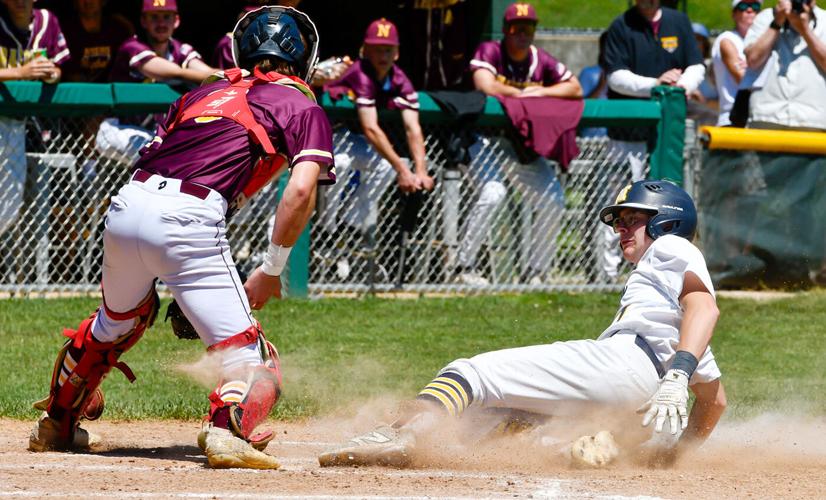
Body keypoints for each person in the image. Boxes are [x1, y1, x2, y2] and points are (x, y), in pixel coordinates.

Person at [27, 6, 336, 471]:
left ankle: (58, 420)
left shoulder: (201, 93)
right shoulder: (302, 105)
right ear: (304, 58)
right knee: (251, 356)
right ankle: (226, 431)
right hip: (191, 217)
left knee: (115, 324)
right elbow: (300, 191)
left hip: (128, 205)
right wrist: (272, 269)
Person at [318, 180, 727, 469]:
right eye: (618, 221)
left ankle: (398, 433)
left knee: (470, 373)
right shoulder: (682, 331)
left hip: (624, 365)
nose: (620, 228)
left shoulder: (671, 246)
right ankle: (567, 445)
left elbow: (705, 308)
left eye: (632, 219)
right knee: (497, 416)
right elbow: (715, 401)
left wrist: (677, 375)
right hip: (639, 400)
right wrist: (675, 454)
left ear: (667, 222)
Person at [456, 2, 582, 286]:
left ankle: (536, 272)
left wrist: (538, 92)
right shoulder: (491, 51)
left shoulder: (539, 58)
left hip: (519, 143)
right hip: (482, 139)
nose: (522, 34)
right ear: (505, 30)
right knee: (493, 192)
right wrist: (525, 92)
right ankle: (463, 266)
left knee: (553, 200)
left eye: (528, 28)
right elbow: (486, 85)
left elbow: (575, 87)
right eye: (516, 28)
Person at [599, 0, 704, 282]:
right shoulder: (621, 25)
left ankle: (660, 270)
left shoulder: (677, 21)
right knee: (620, 205)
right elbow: (616, 77)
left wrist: (680, 86)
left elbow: (696, 65)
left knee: (664, 207)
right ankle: (608, 275)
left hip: (666, 137)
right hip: (627, 136)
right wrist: (656, 84)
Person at [320, 18, 433, 244]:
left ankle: (348, 226)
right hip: (326, 136)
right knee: (340, 163)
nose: (383, 55)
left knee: (388, 166)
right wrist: (403, 170)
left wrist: (420, 171)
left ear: (397, 53)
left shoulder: (399, 78)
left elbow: (413, 128)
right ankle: (326, 228)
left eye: (388, 50)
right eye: (377, 49)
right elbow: (371, 128)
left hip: (354, 138)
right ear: (365, 50)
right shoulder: (360, 71)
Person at [0, 0, 70, 236]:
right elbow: (22, 72)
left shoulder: (47, 20)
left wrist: (51, 74)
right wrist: (20, 72)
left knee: (9, 205)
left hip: (21, 123)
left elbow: (59, 69)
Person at [743, 0, 826, 130]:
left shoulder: (824, 20)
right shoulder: (766, 17)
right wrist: (777, 22)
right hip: (767, 115)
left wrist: (805, 30)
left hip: (812, 119)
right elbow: (753, 60)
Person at [109, 0, 216, 89]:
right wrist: (218, 78)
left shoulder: (181, 49)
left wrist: (221, 75)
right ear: (143, 21)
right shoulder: (132, 46)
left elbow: (206, 70)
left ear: (176, 21)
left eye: (166, 17)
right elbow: (177, 73)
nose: (161, 24)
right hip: (127, 108)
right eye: (154, 17)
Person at [711, 1, 761, 126]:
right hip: (732, 119)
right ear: (733, 14)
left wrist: (750, 67)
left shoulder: (763, 42)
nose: (750, 10)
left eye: (755, 7)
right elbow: (743, 80)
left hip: (758, 117)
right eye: (743, 6)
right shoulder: (727, 40)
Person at [61, 0, 134, 82]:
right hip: (77, 87)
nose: (88, 1)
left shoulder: (118, 28)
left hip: (111, 86)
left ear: (103, 1)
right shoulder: (65, 31)